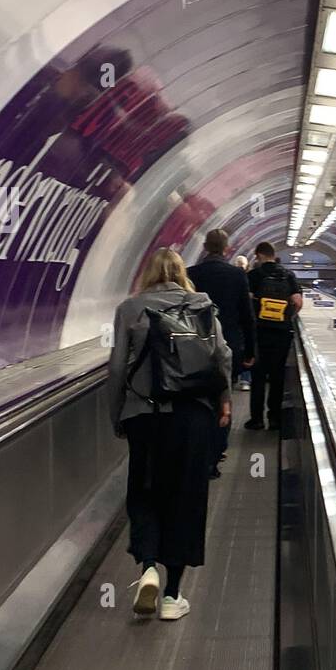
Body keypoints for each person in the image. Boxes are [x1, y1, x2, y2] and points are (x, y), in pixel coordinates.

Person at [107, 248, 232, 620]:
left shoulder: (130, 310)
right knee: (186, 497)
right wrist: (224, 401)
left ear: (147, 274)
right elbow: (221, 356)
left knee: (145, 490)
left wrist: (117, 415)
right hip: (193, 417)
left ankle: (147, 566)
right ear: (182, 273)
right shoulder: (202, 306)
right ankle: (173, 596)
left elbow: (116, 369)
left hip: (144, 416)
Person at [187, 229, 256, 475]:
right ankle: (215, 455)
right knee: (223, 398)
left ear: (205, 246)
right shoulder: (237, 275)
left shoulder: (190, 274)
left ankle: (198, 450)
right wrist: (250, 349)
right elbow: (247, 316)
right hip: (228, 346)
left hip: (195, 347)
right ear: (226, 249)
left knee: (198, 399)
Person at [245, 241, 302, 430]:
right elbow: (298, 302)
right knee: (277, 376)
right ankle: (275, 418)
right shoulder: (289, 275)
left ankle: (256, 419)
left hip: (259, 333)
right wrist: (287, 317)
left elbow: (246, 302)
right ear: (273, 254)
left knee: (258, 376)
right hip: (282, 333)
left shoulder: (254, 275)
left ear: (259, 255)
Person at [231, 256, 253, 391]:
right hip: (240, 318)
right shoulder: (244, 278)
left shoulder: (231, 277)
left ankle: (243, 378)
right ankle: (243, 378)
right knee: (243, 348)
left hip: (237, 319)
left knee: (241, 348)